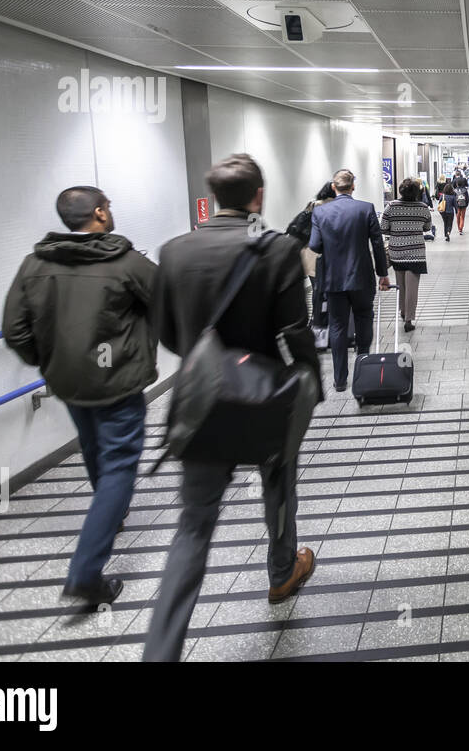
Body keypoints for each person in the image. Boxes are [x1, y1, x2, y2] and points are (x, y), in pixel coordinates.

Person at [143, 155, 321, 660]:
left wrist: (209, 365)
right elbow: (294, 328)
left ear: (215, 197)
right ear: (258, 196)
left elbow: (170, 335)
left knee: (194, 522)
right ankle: (283, 571)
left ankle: (161, 649)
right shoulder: (278, 248)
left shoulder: (174, 252)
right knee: (278, 484)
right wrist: (310, 381)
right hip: (265, 395)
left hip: (202, 401)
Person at [2, 186, 157, 606]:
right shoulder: (126, 262)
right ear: (101, 213)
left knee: (92, 448)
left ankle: (111, 513)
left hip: (68, 384)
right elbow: (165, 302)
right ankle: (87, 572)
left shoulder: (34, 265)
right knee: (119, 467)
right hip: (118, 383)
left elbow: (14, 330)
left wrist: (48, 360)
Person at [310, 169, 392, 391]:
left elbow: (315, 246)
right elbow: (377, 244)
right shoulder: (365, 209)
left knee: (337, 325)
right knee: (364, 318)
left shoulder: (320, 213)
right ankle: (363, 368)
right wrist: (383, 274)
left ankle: (339, 379)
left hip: (333, 280)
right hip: (362, 278)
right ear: (353, 186)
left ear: (334, 187)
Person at [286, 181, 337, 347]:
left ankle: (317, 323)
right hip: (324, 254)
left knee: (317, 289)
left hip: (308, 253)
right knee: (327, 291)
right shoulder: (334, 207)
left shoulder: (312, 204)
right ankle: (324, 323)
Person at [381, 178, 433, 332]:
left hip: (396, 251)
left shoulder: (391, 207)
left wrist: (397, 232)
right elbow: (427, 227)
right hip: (416, 252)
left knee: (401, 285)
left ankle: (403, 312)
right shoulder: (423, 207)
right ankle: (409, 319)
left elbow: (383, 228)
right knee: (412, 287)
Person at [436, 175, 456, 241]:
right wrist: (456, 211)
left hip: (444, 212)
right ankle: (448, 232)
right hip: (450, 212)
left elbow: (440, 203)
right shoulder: (453, 196)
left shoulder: (443, 196)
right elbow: (455, 205)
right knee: (450, 223)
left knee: (445, 223)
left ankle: (445, 235)